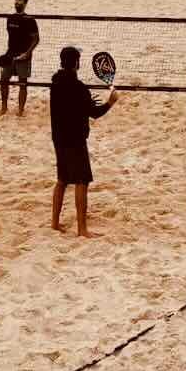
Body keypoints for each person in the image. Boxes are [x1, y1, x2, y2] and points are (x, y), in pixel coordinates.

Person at [49, 46, 115, 236]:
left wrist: (86, 103)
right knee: (82, 180)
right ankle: (82, 229)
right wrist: (111, 102)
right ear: (76, 63)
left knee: (62, 179)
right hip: (75, 139)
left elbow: (73, 108)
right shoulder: (79, 89)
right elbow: (94, 113)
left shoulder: (55, 84)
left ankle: (54, 223)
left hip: (58, 137)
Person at [0, 0, 40, 116]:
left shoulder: (30, 20)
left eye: (20, 0)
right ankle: (4, 107)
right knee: (3, 81)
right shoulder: (10, 18)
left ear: (25, 3)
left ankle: (21, 110)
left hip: (24, 55)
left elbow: (36, 39)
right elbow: (11, 37)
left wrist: (27, 53)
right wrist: (8, 54)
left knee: (22, 84)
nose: (17, 2)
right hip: (10, 54)